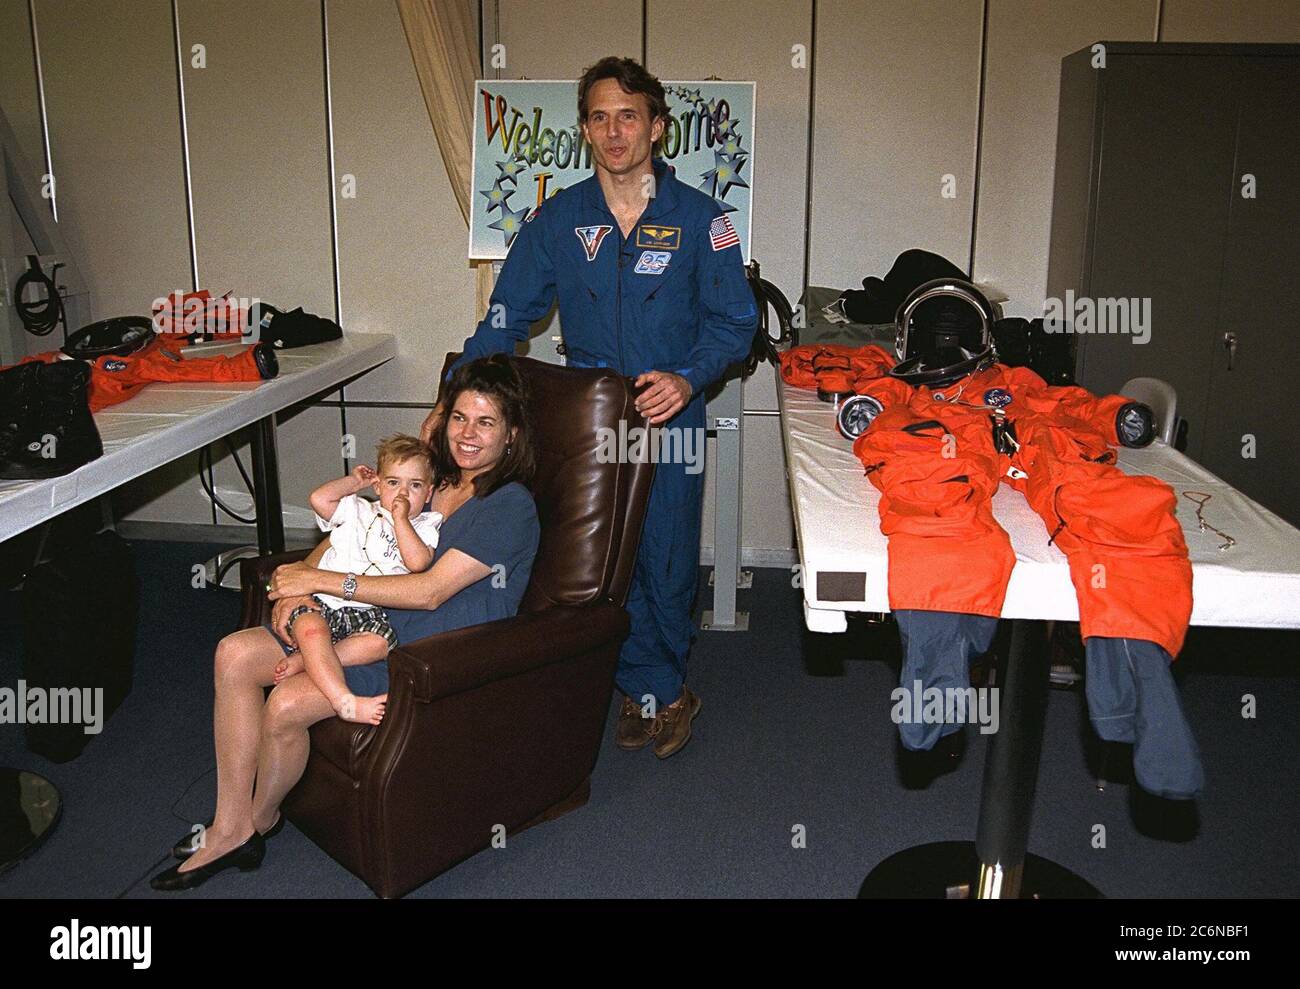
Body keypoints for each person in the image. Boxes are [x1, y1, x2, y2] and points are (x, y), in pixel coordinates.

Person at [424, 56, 757, 759]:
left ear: (657, 127)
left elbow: (736, 323)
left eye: (628, 115)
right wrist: (452, 394)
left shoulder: (706, 220)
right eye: (600, 117)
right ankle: (653, 687)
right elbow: (505, 317)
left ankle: (661, 682)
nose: (614, 131)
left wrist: (690, 377)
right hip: (591, 421)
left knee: (665, 558)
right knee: (604, 562)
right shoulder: (557, 219)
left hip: (669, 419)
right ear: (584, 130)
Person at [150, 355, 540, 890]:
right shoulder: (428, 477)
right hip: (358, 619)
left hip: (419, 650)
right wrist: (297, 583)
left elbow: (428, 593)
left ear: (513, 435)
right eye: (458, 417)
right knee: (233, 654)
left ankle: (253, 824)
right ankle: (228, 822)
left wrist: (322, 585)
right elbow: (350, 537)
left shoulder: (509, 506)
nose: (467, 434)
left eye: (486, 422)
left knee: (286, 702)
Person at [270, 436, 444, 726]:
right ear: (377, 486)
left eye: (414, 485)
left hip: (365, 610)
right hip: (322, 601)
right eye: (392, 483)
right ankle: (344, 701)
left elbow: (417, 563)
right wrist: (353, 482)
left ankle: (307, 661)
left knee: (379, 644)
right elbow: (319, 499)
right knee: (312, 632)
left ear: (428, 493)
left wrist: (401, 521)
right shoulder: (359, 509)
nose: (403, 492)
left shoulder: (425, 526)